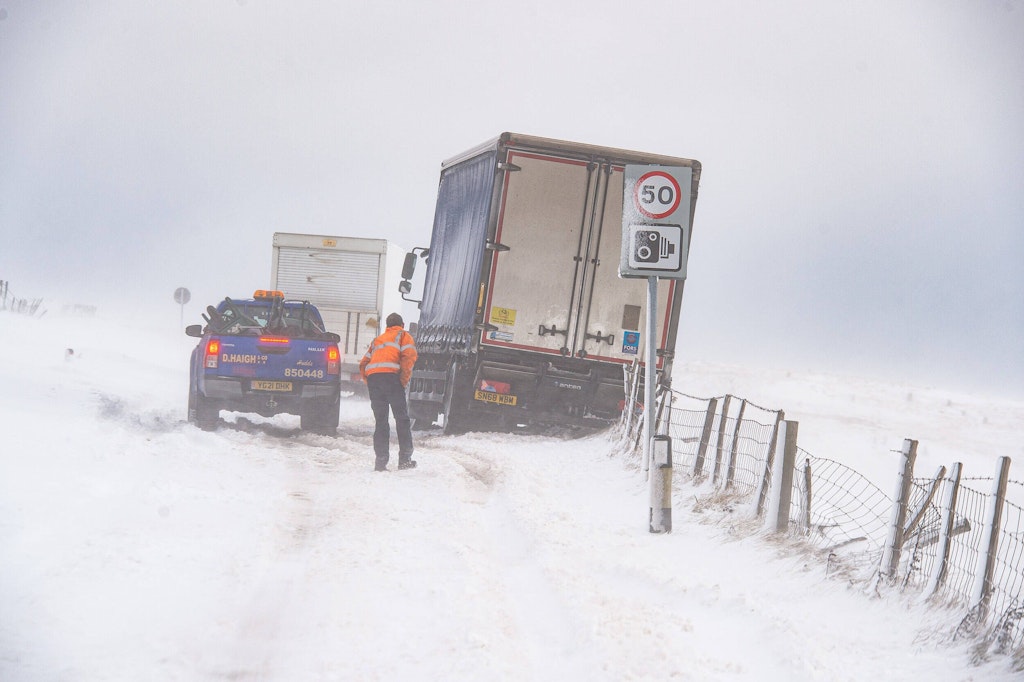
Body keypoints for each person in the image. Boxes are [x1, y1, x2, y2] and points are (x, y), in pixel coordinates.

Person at [359, 312, 418, 471]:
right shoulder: (404, 336)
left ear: (387, 326)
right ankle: (405, 459)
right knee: (402, 419)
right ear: (402, 325)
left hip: (375, 380)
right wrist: (403, 382)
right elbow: (408, 360)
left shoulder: (378, 340)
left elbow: (364, 363)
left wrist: (369, 380)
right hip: (392, 379)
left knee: (381, 421)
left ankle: (380, 462)